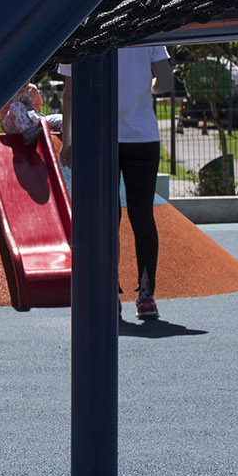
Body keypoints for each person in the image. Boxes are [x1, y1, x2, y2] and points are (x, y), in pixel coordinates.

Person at [57, 45, 173, 321]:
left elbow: (70, 94)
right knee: (142, 214)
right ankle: (146, 296)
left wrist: (69, 140)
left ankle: (110, 292)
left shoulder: (87, 30)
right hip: (143, 135)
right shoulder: (149, 29)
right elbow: (166, 81)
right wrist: (147, 90)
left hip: (102, 135)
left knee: (108, 216)